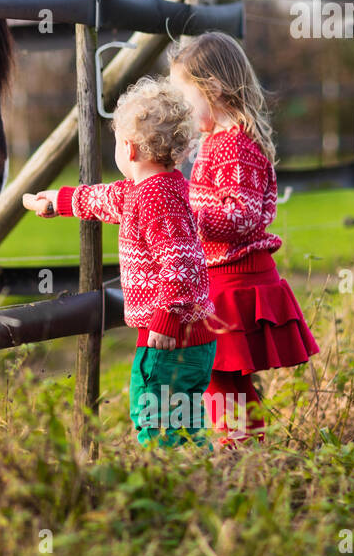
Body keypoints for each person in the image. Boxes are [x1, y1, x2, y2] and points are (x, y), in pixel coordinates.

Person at [23, 76, 217, 447]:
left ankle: (167, 489)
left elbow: (182, 263)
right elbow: (104, 199)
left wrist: (166, 318)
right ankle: (203, 484)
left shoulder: (155, 199)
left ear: (128, 149)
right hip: (190, 338)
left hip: (171, 338)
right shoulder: (152, 190)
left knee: (154, 422)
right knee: (185, 426)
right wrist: (57, 201)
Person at [166, 31, 320, 445]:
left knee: (219, 374)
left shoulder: (234, 146)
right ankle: (242, 449)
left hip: (237, 281)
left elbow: (241, 215)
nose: (181, 111)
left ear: (213, 89)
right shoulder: (216, 142)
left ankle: (240, 452)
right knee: (220, 376)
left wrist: (188, 214)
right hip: (222, 278)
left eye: (185, 99)